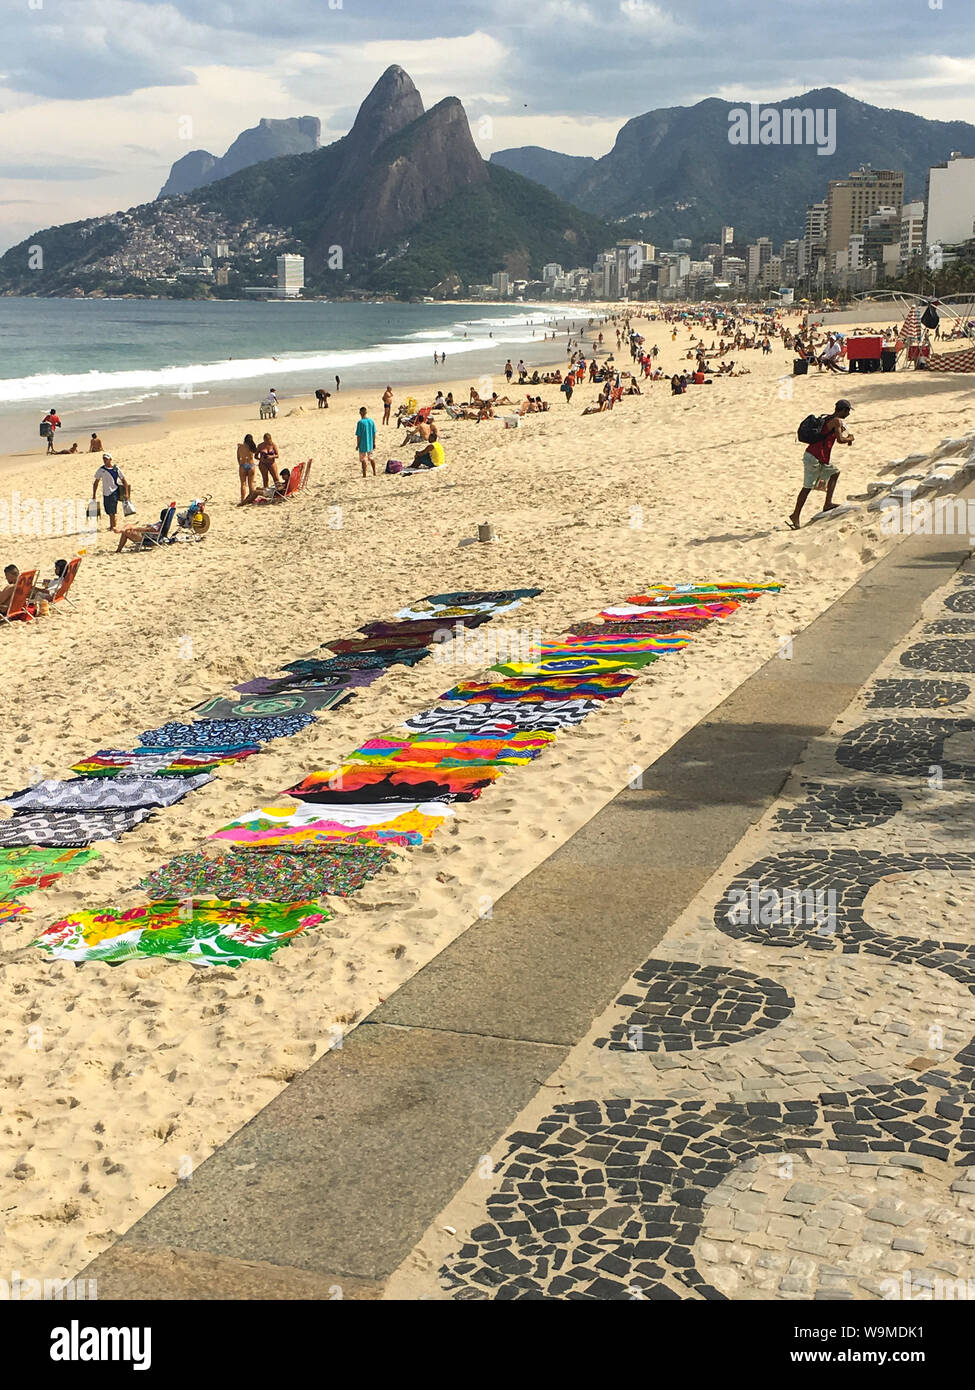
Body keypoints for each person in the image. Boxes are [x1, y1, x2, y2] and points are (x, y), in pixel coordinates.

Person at [788, 399, 854, 529]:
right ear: (842, 410)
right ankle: (795, 515)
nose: (848, 414)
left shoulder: (830, 418)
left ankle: (827, 503)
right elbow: (840, 440)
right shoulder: (837, 421)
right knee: (807, 487)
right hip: (813, 457)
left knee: (835, 473)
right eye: (847, 411)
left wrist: (846, 436)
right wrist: (849, 439)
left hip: (818, 458)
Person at [92, 454, 128, 533]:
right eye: (104, 459)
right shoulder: (101, 469)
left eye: (106, 459)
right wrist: (94, 494)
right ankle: (113, 523)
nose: (105, 460)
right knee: (108, 510)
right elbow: (96, 482)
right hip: (105, 492)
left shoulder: (115, 468)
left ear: (110, 459)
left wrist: (126, 492)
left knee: (112, 510)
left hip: (114, 491)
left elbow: (123, 480)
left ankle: (113, 526)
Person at [237, 434, 259, 504]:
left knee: (243, 484)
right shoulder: (251, 447)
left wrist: (240, 464)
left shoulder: (240, 447)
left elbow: (238, 457)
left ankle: (242, 499)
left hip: (243, 465)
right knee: (251, 483)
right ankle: (251, 499)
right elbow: (256, 452)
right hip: (251, 465)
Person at [355, 405, 376, 477]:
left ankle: (364, 474)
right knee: (371, 457)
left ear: (360, 413)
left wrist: (358, 445)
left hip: (363, 444)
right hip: (370, 443)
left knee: (363, 459)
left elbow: (358, 435)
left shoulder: (360, 423)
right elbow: (374, 433)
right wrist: (374, 442)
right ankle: (374, 472)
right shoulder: (371, 421)